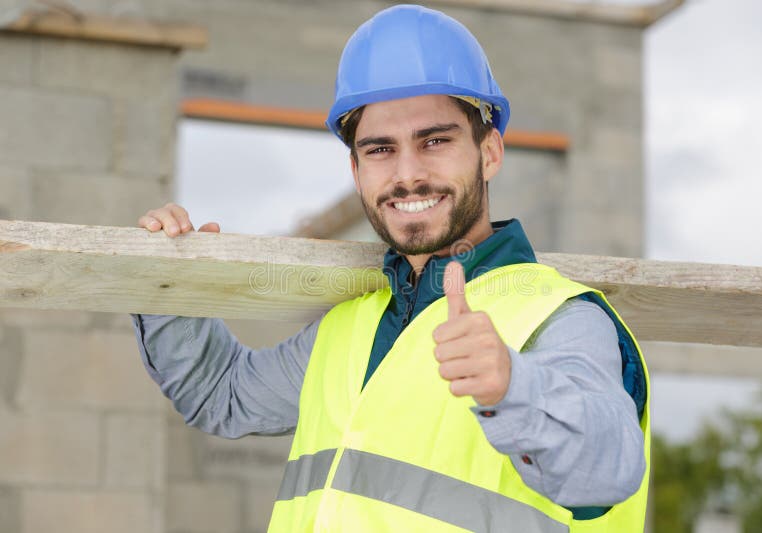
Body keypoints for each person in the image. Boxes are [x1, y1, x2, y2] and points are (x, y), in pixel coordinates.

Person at [132, 4, 649, 532]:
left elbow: (608, 472)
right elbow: (225, 393)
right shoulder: (351, 330)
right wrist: (171, 284)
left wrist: (514, 386)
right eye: (380, 149)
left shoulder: (559, 319)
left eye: (436, 140)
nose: (408, 174)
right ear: (356, 171)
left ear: (489, 152)